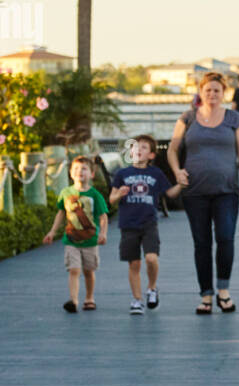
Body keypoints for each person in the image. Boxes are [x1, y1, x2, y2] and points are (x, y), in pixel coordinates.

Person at [167, 70, 239, 314]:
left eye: (217, 90)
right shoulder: (187, 118)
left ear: (223, 93)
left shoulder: (235, 119)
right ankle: (206, 295)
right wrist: (177, 172)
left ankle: (223, 291)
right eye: (208, 90)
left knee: (225, 238)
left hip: (227, 190)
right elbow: (172, 149)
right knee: (201, 243)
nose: (212, 94)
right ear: (200, 93)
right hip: (195, 192)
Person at [109, 134, 182, 314]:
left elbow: (170, 193)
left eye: (143, 148)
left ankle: (152, 288)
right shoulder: (122, 174)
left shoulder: (155, 173)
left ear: (151, 155)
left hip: (149, 223)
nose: (138, 150)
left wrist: (181, 183)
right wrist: (119, 195)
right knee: (134, 264)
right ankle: (136, 300)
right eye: (136, 147)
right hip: (128, 224)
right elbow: (111, 199)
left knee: (151, 258)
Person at [42, 155, 109, 312]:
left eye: (84, 169)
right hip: (71, 239)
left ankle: (89, 298)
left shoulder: (95, 195)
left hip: (90, 240)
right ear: (71, 173)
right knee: (74, 270)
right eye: (76, 169)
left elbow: (103, 216)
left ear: (91, 174)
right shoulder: (66, 193)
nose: (80, 172)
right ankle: (73, 300)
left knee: (88, 271)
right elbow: (61, 213)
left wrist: (103, 233)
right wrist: (52, 232)